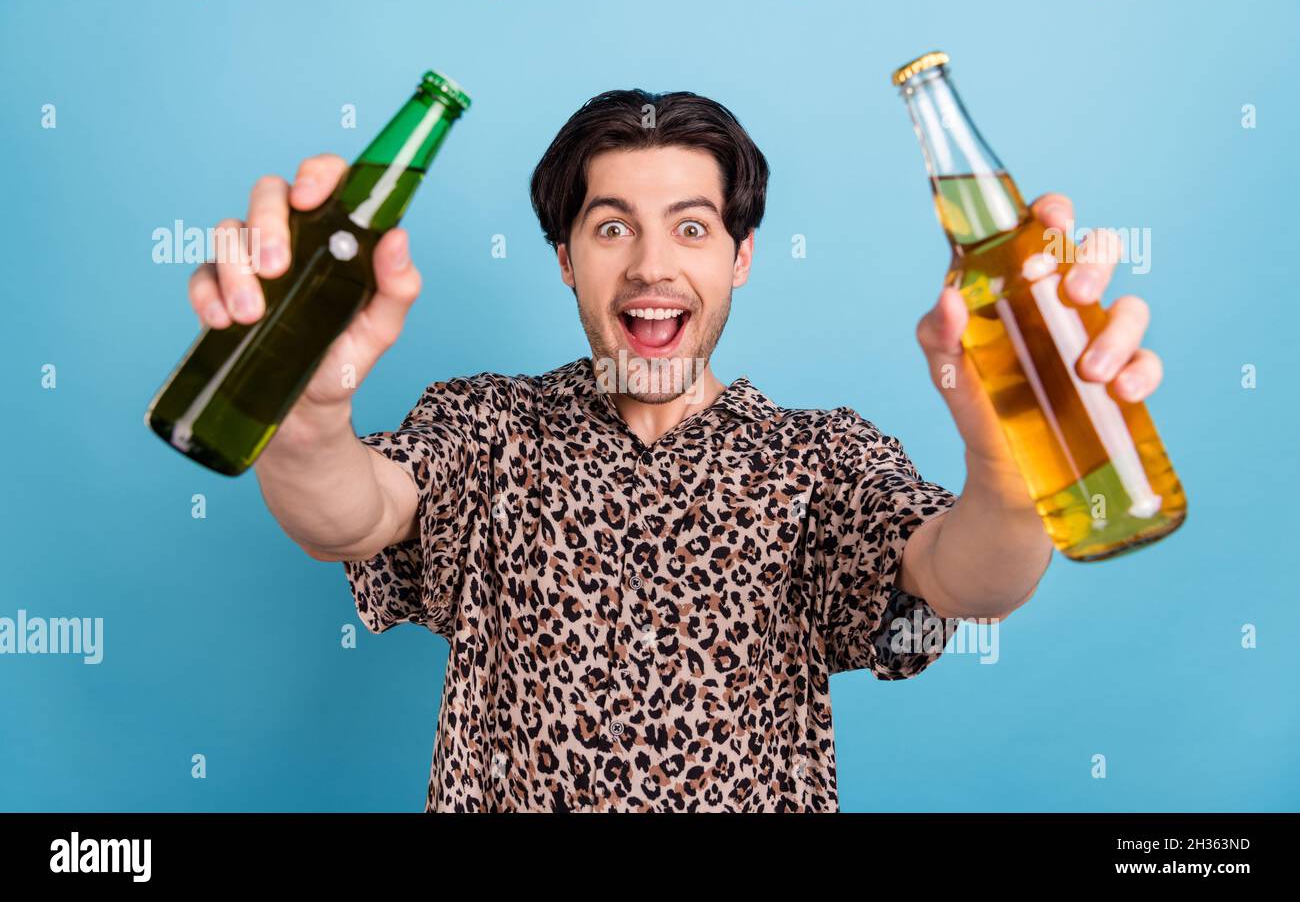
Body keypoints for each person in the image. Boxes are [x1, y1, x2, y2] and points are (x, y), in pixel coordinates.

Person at [186, 90, 1163, 811]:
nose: (651, 263)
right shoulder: (485, 426)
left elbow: (963, 577)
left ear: (738, 257)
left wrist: (1009, 461)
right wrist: (308, 414)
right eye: (611, 227)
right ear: (566, 259)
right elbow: (347, 512)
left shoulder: (817, 457)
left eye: (691, 227)